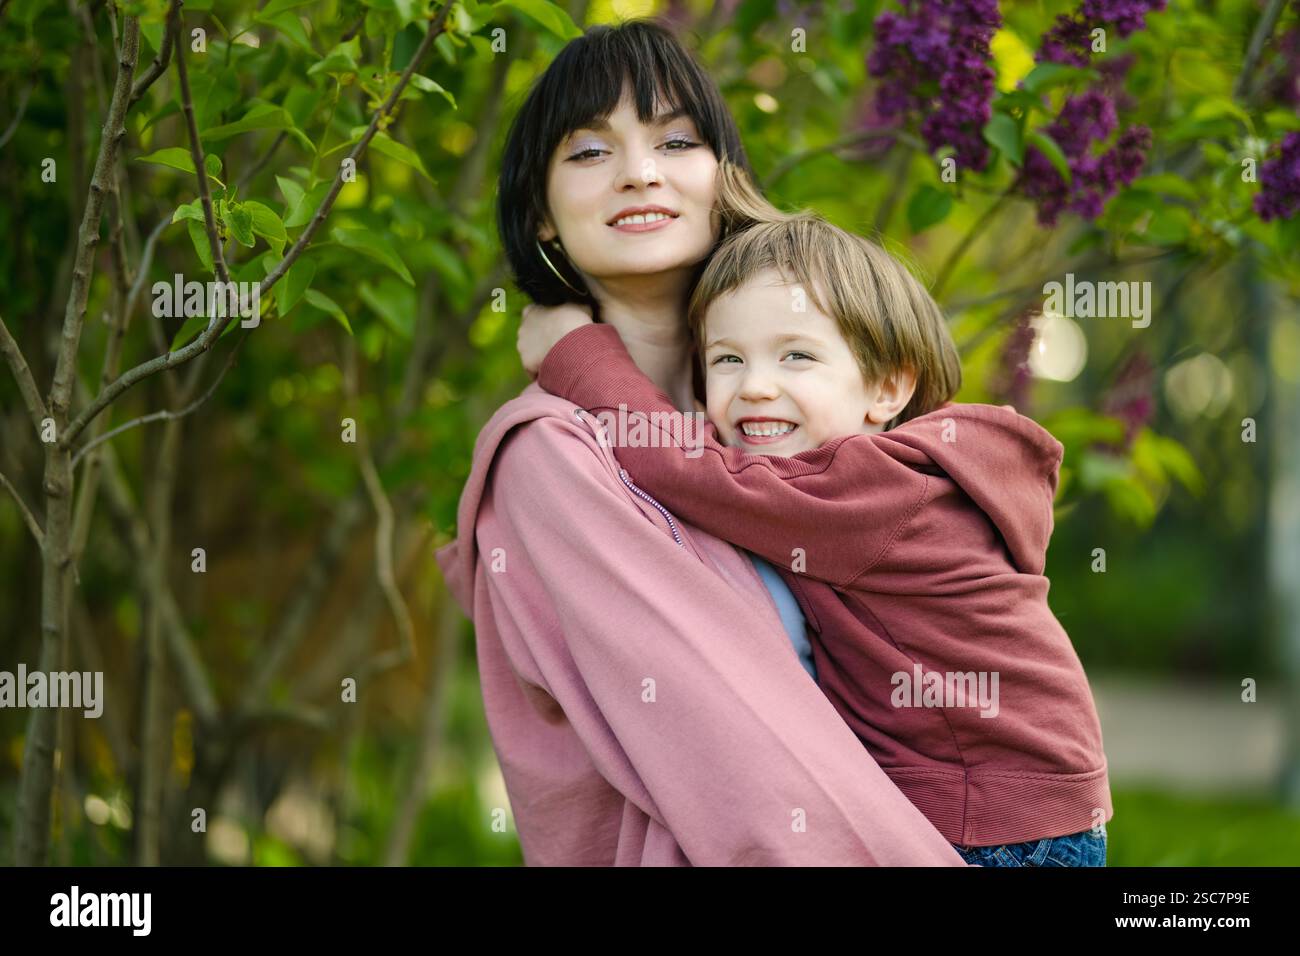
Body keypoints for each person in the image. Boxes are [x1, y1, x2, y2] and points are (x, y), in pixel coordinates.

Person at [434, 19, 967, 866]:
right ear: (540, 215)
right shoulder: (550, 458)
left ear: (723, 177)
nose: (640, 172)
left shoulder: (780, 414)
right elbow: (753, 771)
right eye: (590, 152)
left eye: (676, 141)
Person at [518, 177, 1112, 867]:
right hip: (1026, 805)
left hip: (995, 821)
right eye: (728, 359)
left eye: (796, 355)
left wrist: (578, 352)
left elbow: (690, 472)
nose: (755, 386)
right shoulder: (906, 476)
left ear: (888, 387)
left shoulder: (879, 486)